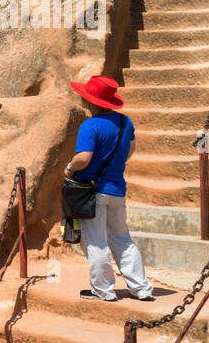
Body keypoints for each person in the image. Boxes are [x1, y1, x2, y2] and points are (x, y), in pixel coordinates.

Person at [64, 75, 154, 302]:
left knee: (95, 241)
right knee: (122, 239)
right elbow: (131, 148)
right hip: (116, 189)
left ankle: (103, 290)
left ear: (92, 101)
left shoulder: (90, 125)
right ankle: (140, 288)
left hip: (91, 192)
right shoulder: (125, 123)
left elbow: (84, 157)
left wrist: (69, 167)